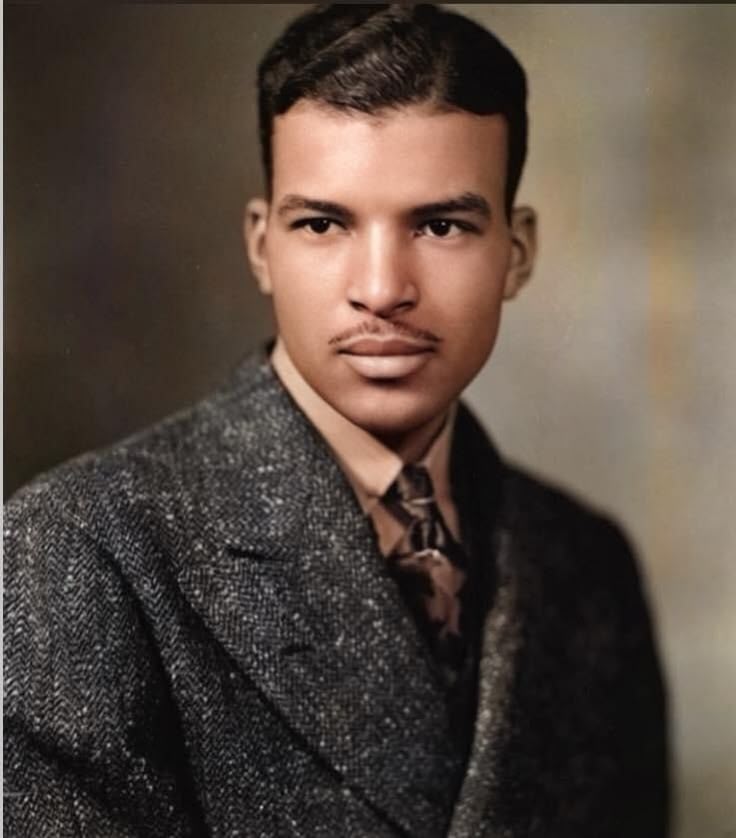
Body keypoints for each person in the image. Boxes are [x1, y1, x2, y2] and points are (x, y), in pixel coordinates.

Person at [3, 4, 669, 836]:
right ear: (261, 248)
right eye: (323, 224)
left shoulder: (585, 566)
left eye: (440, 224)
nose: (383, 288)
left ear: (517, 252)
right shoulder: (79, 553)